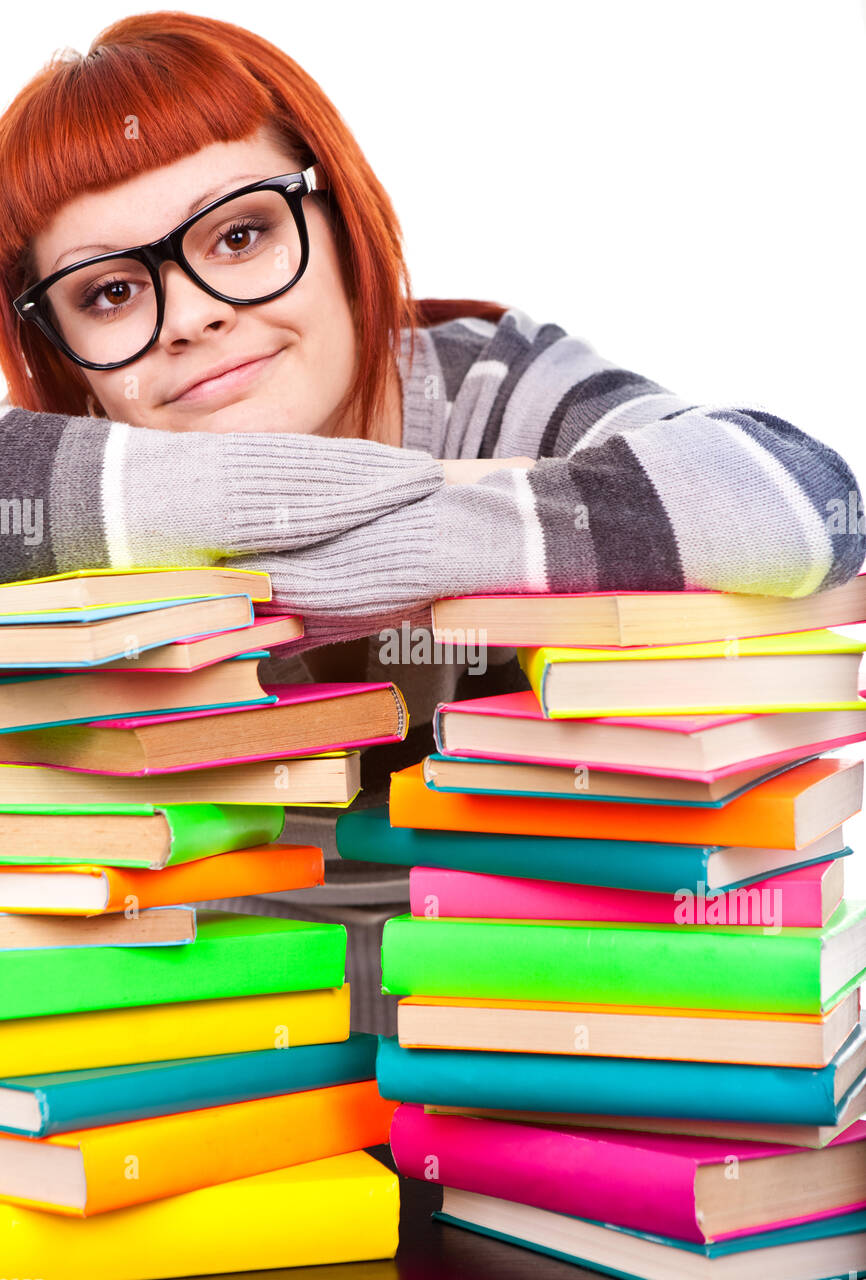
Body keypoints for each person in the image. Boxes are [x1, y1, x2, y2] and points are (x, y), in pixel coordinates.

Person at [0, 14, 861, 1029]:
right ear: (60, 346)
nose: (189, 315)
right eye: (109, 293)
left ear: (339, 221)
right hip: (196, 1044)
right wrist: (221, 498)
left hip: (541, 1023)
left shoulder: (489, 382)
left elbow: (795, 493)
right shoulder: (58, 473)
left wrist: (388, 553)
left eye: (239, 234)